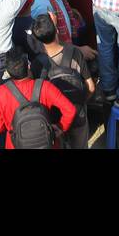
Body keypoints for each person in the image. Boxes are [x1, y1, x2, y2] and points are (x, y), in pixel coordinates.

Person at [29, 12, 93, 148]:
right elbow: (91, 87)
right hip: (77, 114)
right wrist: (81, 103)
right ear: (56, 30)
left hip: (53, 119)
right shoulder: (75, 53)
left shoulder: (38, 63)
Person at [0, 48, 76, 149]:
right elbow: (70, 110)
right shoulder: (45, 87)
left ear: (8, 72)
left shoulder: (0, 92)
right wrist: (61, 127)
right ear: (28, 66)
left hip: (15, 144)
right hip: (45, 142)